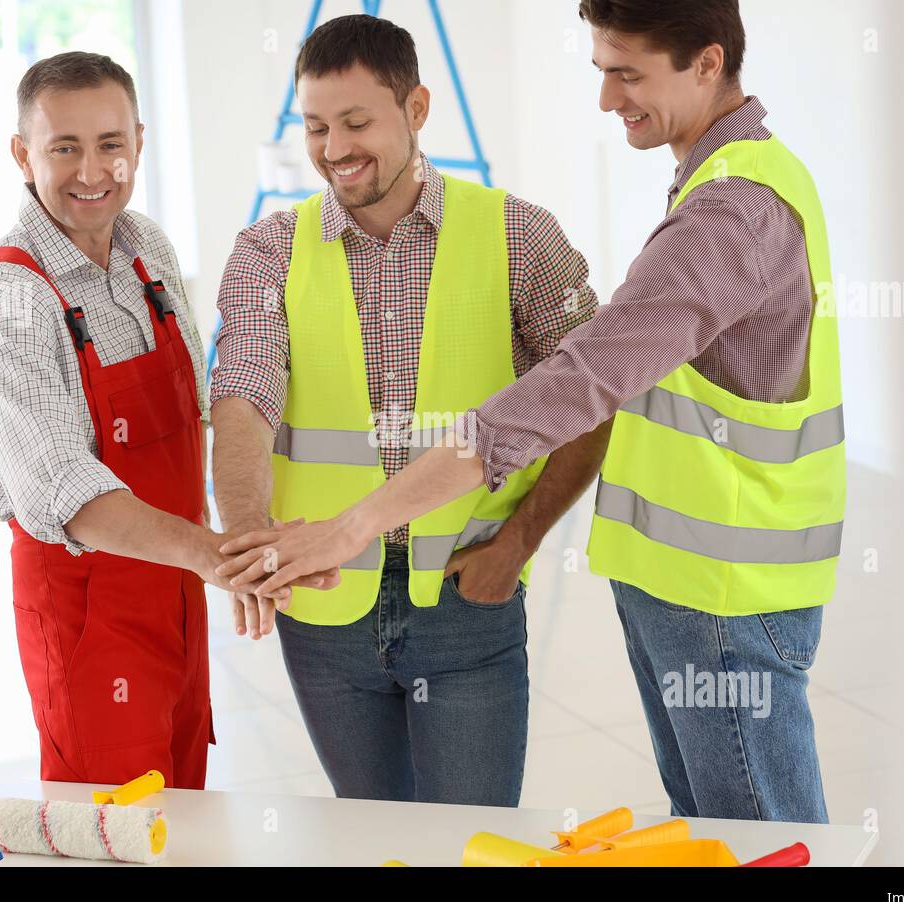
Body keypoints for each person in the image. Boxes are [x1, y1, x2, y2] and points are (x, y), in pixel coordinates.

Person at [220, 0, 845, 824]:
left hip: (723, 592)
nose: (606, 98)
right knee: (717, 829)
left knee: (760, 839)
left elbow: (575, 384)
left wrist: (365, 527)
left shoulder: (728, 210)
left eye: (627, 73)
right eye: (602, 72)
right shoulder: (723, 183)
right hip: (687, 585)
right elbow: (243, 393)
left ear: (707, 61)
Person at [209, 14, 610, 806]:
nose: (334, 148)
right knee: (373, 842)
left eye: (357, 122)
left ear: (417, 108)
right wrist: (250, 536)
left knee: (469, 846)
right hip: (325, 610)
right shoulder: (266, 252)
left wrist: (520, 542)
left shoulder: (520, 238)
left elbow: (592, 394)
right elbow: (241, 399)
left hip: (468, 596)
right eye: (317, 126)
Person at [0, 51, 323, 788]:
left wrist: (240, 538)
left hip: (177, 588)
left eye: (110, 145)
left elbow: (201, 409)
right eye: (65, 148)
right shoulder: (7, 294)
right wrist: (224, 560)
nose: (93, 170)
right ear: (23, 154)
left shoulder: (147, 248)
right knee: (115, 820)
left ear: (139, 144)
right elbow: (67, 491)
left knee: (182, 801)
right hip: (88, 615)